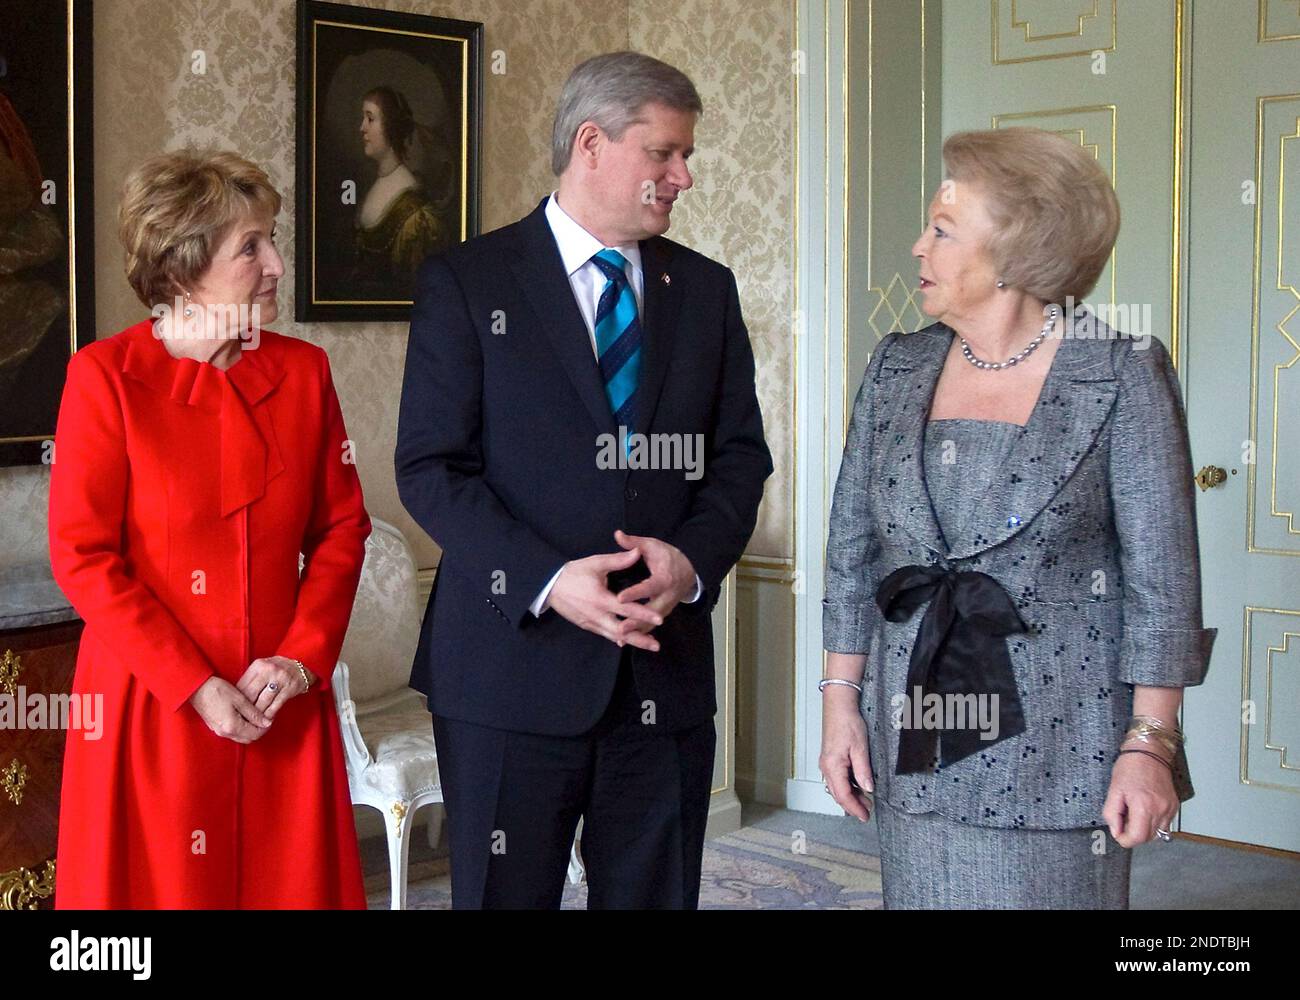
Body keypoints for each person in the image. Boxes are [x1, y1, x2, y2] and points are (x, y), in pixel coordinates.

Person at [396, 51, 772, 909]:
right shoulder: (467, 280)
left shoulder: (705, 291)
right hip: (507, 673)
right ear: (593, 142)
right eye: (665, 154)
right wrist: (547, 579)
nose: (683, 177)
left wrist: (691, 561)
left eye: (687, 157)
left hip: (661, 673)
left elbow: (741, 457)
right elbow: (429, 468)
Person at [820, 127, 1215, 909]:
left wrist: (1151, 743)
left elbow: (1163, 585)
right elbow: (851, 558)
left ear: (1016, 250)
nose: (916, 247)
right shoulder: (896, 366)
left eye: (940, 230)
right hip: (917, 737)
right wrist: (840, 704)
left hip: (1062, 755)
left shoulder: (1122, 372)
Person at [48, 150, 372, 908]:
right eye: (250, 247)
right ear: (184, 267)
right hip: (151, 709)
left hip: (279, 706)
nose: (275, 265)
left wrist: (299, 660)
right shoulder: (105, 378)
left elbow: (342, 530)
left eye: (271, 240)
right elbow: (82, 556)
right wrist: (192, 686)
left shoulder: (304, 373)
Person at [353, 86, 444, 300]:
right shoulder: (378, 183)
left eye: (370, 119)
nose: (362, 128)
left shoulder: (413, 207)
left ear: (390, 126)